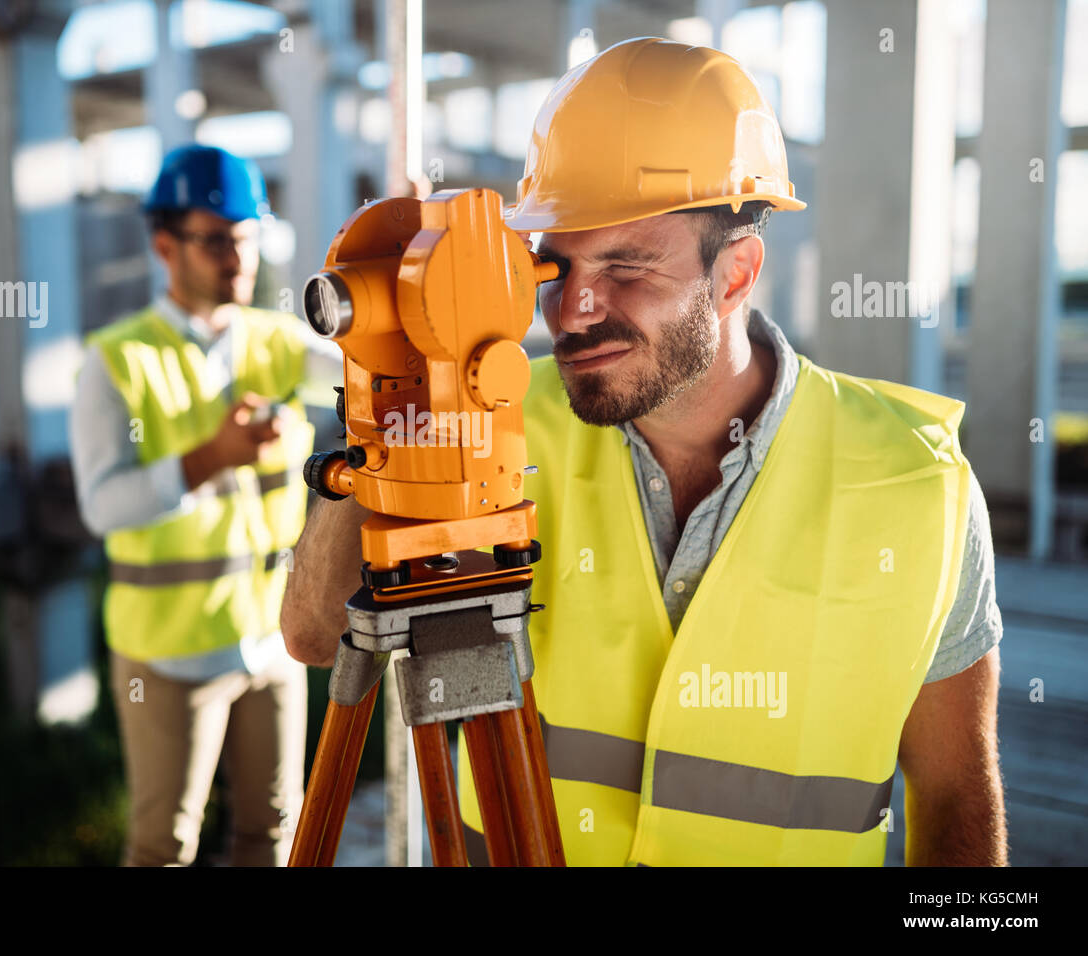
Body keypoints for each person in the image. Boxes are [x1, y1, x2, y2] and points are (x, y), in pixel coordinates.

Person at [279, 38, 1008, 866]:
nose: (577, 309)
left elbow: (954, 793)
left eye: (627, 266)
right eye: (554, 267)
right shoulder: (491, 422)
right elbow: (310, 635)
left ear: (735, 274)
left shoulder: (916, 479)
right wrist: (402, 390)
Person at [70, 144, 338, 866]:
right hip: (169, 655)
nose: (236, 256)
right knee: (165, 847)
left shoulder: (279, 341)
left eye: (246, 237)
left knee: (272, 834)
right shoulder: (116, 360)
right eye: (215, 239)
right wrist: (208, 458)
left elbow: (377, 366)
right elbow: (100, 508)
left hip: (272, 643)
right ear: (165, 245)